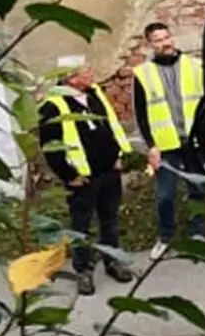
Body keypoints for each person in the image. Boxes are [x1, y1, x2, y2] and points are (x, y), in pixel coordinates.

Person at [35, 57, 137, 295]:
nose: (91, 74)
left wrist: (118, 154)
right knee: (81, 225)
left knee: (109, 220)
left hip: (108, 171)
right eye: (86, 72)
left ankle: (112, 261)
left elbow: (110, 125)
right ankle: (83, 270)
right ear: (71, 78)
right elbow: (52, 145)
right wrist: (68, 175)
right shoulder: (54, 105)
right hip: (82, 178)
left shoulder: (95, 95)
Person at [130, 20, 205, 248]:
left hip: (193, 140)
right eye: (158, 41)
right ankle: (165, 236)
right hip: (165, 145)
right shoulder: (143, 74)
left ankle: (198, 232)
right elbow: (141, 114)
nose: (164, 43)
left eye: (166, 38)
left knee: (198, 189)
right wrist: (150, 146)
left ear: (172, 37)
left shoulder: (195, 66)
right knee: (165, 195)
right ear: (150, 45)